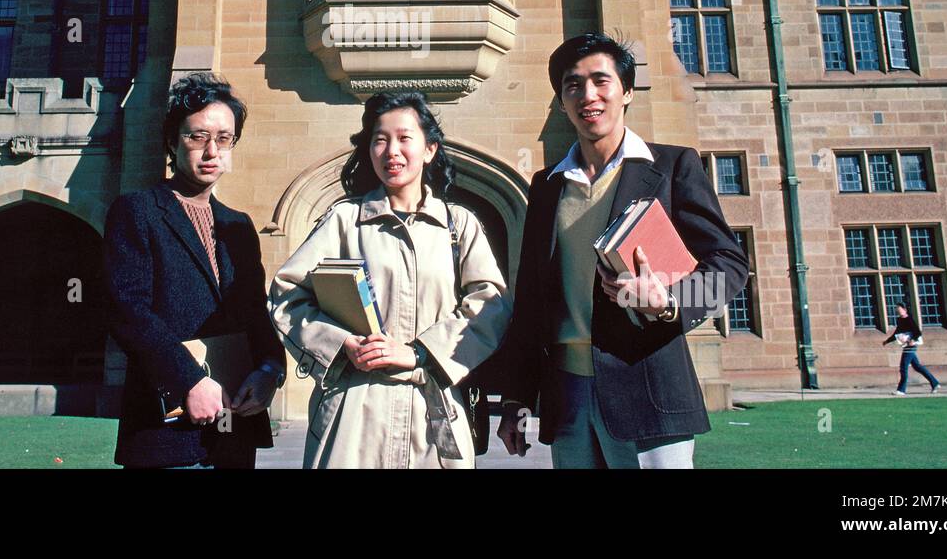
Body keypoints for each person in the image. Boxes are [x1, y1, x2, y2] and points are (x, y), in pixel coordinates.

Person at [495, 32, 748, 469]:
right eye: (573, 85)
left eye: (600, 81)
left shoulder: (671, 168)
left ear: (627, 92)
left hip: (649, 389)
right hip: (567, 395)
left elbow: (729, 264)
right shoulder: (547, 187)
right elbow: (531, 301)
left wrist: (669, 303)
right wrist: (517, 396)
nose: (587, 95)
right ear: (560, 101)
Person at [269, 90, 512, 469]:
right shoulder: (343, 221)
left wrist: (420, 352)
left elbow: (489, 305)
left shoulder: (458, 225)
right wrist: (340, 344)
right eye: (379, 140)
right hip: (352, 413)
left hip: (433, 410)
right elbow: (287, 295)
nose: (391, 151)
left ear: (430, 148)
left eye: (404, 138)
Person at [103, 73, 285, 468]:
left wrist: (270, 370)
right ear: (172, 141)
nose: (211, 151)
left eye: (223, 138)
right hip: (167, 429)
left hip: (236, 424)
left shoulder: (239, 226)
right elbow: (127, 310)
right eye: (197, 137)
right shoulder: (138, 210)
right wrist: (187, 379)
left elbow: (256, 312)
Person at [884, 302, 940, 395]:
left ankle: (901, 390)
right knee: (917, 366)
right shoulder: (900, 320)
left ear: (904, 310)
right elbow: (897, 333)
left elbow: (918, 332)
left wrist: (912, 340)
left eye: (899, 309)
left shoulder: (909, 319)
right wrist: (887, 341)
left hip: (911, 345)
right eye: (897, 309)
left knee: (903, 367)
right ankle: (935, 383)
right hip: (907, 345)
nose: (898, 311)